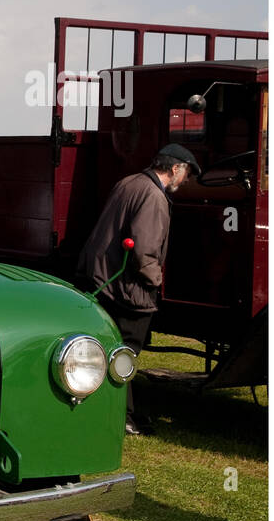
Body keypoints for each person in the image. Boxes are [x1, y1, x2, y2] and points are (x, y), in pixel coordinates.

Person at [76, 143, 201, 434]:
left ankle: (123, 413)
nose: (186, 181)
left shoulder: (128, 182)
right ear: (175, 169)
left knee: (111, 350)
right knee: (124, 355)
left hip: (103, 280)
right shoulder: (154, 196)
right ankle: (121, 418)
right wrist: (156, 280)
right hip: (127, 290)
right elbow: (144, 251)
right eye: (186, 174)